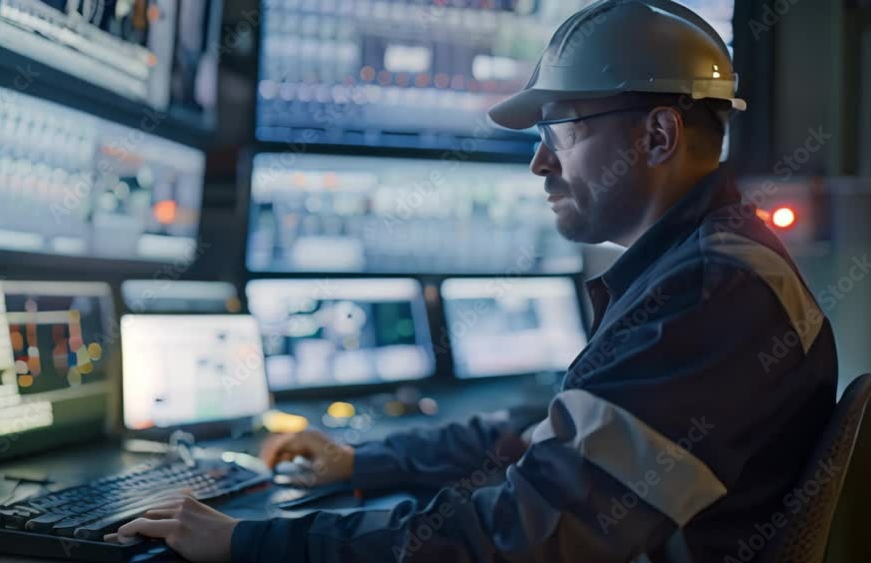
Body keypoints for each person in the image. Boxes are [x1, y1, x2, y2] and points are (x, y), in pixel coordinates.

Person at [110, 1, 838, 561]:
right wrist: (365, 460)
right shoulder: (698, 267)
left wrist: (250, 543)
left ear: (656, 136)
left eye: (560, 131)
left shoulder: (711, 293)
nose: (540, 163)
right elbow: (543, 433)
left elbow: (522, 537)